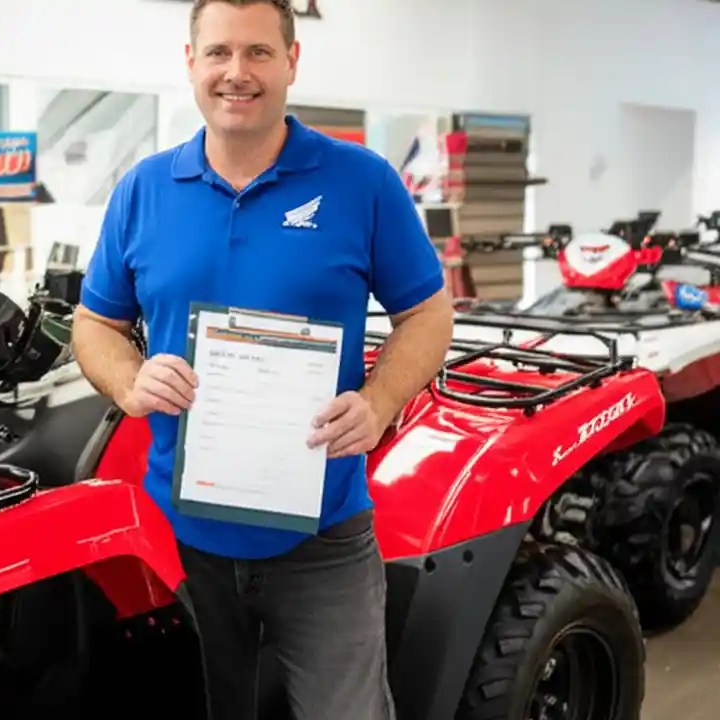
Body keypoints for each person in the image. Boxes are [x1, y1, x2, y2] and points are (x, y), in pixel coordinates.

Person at [69, 1, 455, 718]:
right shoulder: (144, 190)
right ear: (191, 63)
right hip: (178, 540)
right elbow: (95, 322)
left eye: (257, 53)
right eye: (218, 53)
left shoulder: (362, 181)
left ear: (291, 61)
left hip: (324, 535)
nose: (236, 73)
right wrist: (128, 378)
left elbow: (428, 313)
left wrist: (378, 400)